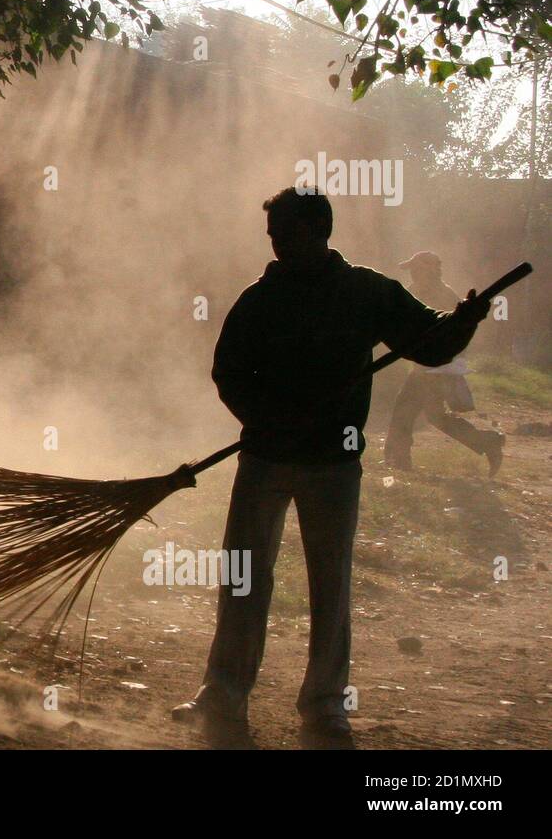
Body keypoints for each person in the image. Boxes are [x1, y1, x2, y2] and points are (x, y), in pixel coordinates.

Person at [171, 187, 490, 749]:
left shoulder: (364, 291)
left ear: (318, 233)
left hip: (333, 462)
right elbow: (228, 371)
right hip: (265, 457)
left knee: (330, 582)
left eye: (283, 236)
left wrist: (463, 321)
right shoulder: (260, 298)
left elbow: (432, 343)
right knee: (243, 578)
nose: (274, 248)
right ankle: (222, 693)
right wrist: (265, 416)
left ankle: (324, 707)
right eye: (271, 238)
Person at [383, 251, 505, 475]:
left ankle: (397, 460)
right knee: (434, 416)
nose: (413, 273)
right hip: (429, 366)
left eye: (416, 269)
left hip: (433, 368)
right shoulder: (421, 291)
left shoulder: (441, 294)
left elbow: (454, 333)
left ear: (426, 270)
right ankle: (487, 442)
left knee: (404, 410)